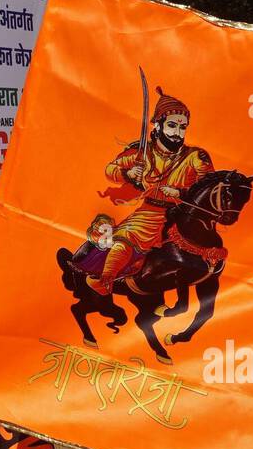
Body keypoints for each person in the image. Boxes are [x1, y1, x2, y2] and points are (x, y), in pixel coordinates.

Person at [89, 87, 214, 295]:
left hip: (183, 214)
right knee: (125, 238)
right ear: (157, 125)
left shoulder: (195, 156)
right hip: (150, 214)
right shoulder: (142, 153)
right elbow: (109, 170)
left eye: (182, 127)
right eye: (172, 126)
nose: (177, 133)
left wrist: (180, 194)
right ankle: (106, 281)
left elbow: (208, 185)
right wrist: (128, 174)